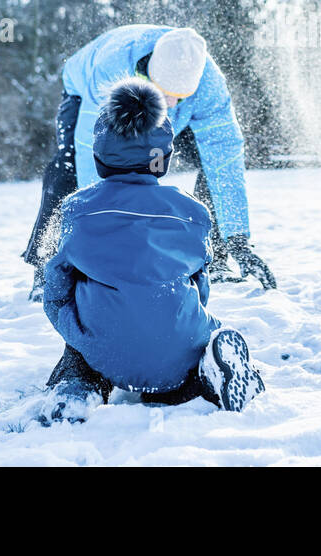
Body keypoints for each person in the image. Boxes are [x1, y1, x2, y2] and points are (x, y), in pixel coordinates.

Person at [40, 79, 265, 415]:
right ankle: (207, 375)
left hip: (104, 348)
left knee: (84, 344)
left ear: (99, 155)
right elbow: (200, 284)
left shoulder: (76, 209)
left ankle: (77, 388)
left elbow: (57, 282)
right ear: (164, 157)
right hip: (177, 345)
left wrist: (73, 324)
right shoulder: (192, 212)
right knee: (194, 342)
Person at [22, 24, 275, 299]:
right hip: (84, 92)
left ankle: (216, 256)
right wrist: (96, 230)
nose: (173, 104)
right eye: (166, 94)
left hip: (163, 99)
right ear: (149, 79)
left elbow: (225, 158)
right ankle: (48, 266)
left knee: (208, 161)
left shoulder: (208, 84)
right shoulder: (111, 71)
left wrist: (238, 240)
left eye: (180, 97)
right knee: (67, 167)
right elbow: (90, 151)